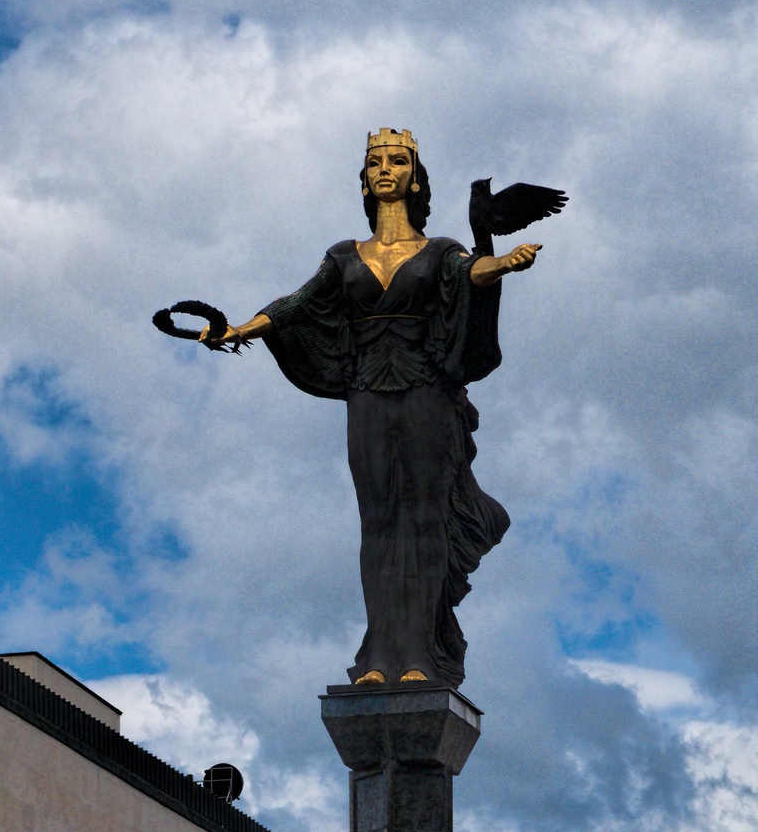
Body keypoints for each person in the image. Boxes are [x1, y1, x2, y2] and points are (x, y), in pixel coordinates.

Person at [202, 128, 542, 687]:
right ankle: (380, 656)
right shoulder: (344, 256)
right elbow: (298, 303)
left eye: (398, 161)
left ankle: (420, 656)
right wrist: (238, 328)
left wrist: (503, 263)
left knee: (424, 518)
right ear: (364, 178)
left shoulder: (440, 250)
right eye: (375, 162)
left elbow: (468, 274)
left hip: (427, 388)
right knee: (379, 520)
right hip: (366, 391)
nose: (386, 169)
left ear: (415, 177)